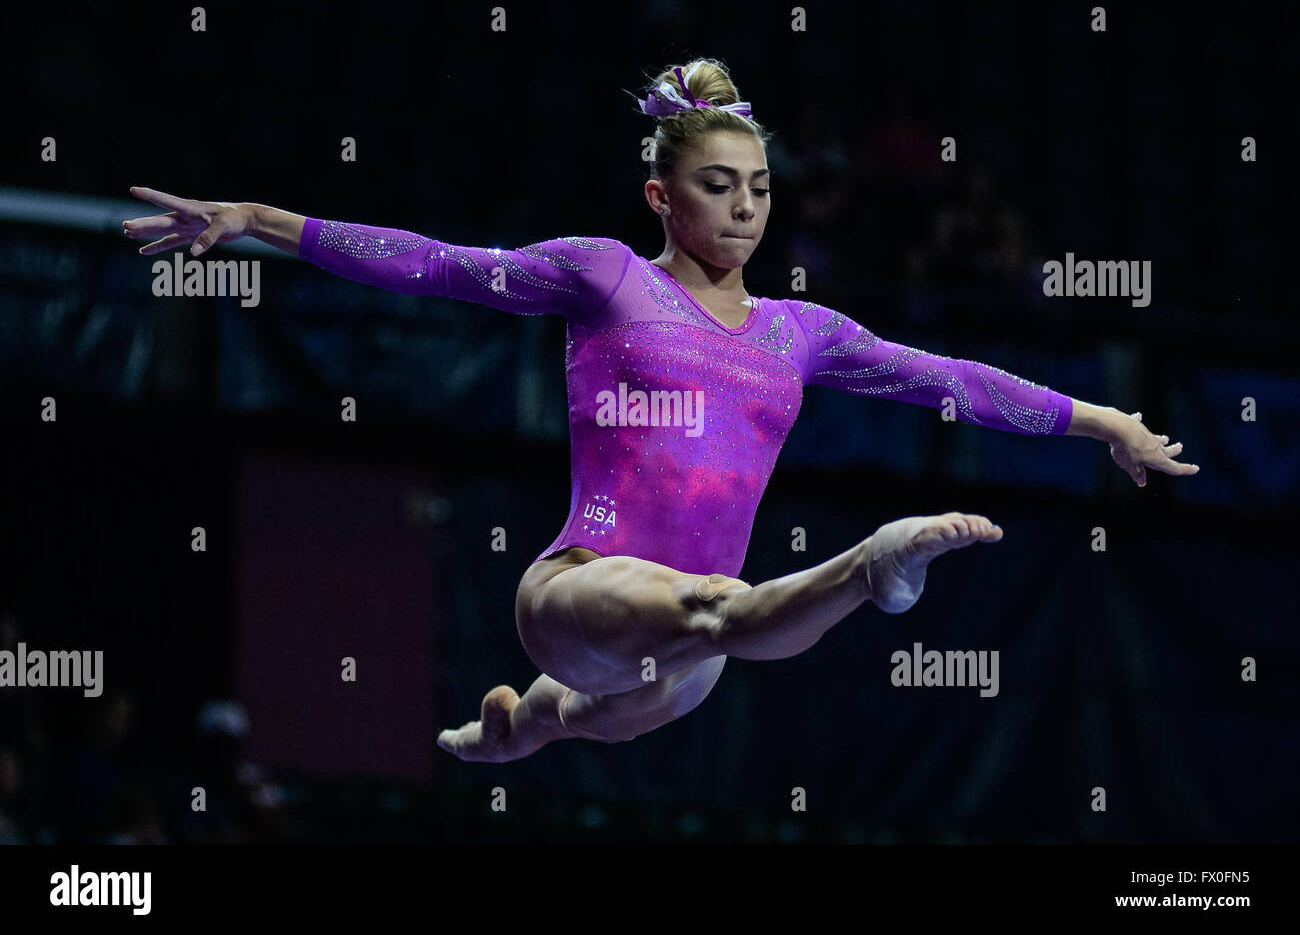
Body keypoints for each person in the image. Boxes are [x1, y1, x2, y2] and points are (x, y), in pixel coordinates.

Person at [123, 58, 1198, 763]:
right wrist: (259, 217)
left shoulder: (798, 331)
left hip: (670, 675)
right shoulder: (603, 279)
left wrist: (1100, 420)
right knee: (717, 612)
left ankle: (511, 730)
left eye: (759, 188)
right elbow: (435, 266)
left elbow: (951, 379)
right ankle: (877, 565)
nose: (743, 208)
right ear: (661, 198)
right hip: (581, 587)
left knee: (616, 695)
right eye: (719, 186)